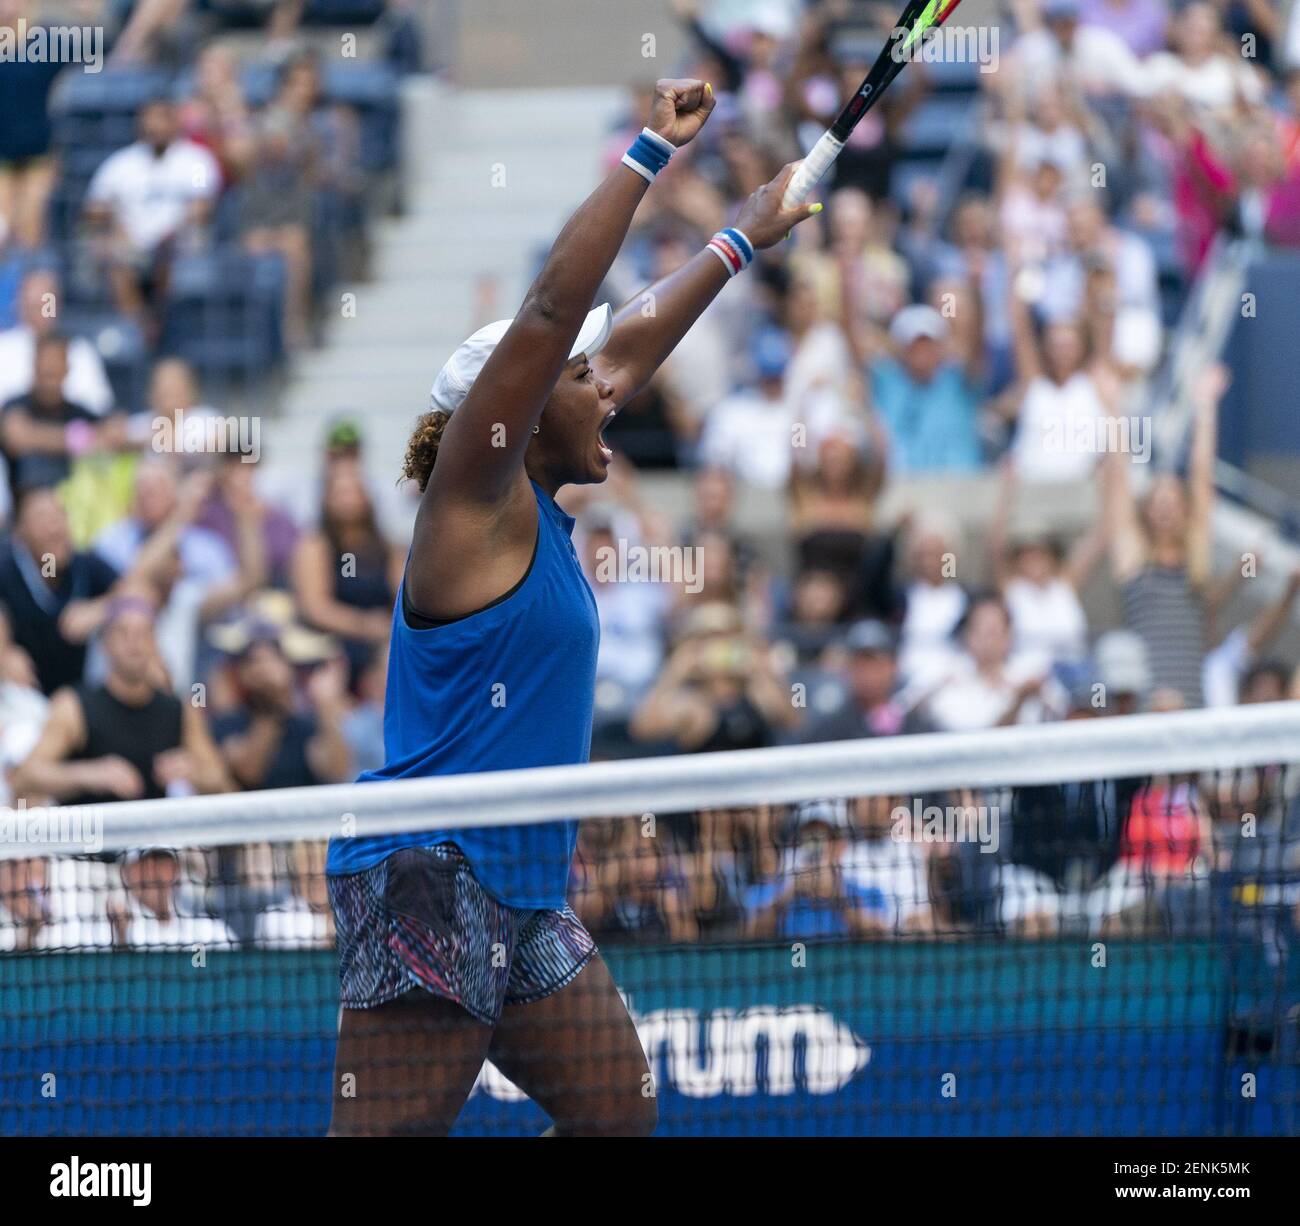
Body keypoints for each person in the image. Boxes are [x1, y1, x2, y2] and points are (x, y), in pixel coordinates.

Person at [324, 78, 819, 1138]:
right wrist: (648, 152)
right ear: (515, 401)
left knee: (616, 1117)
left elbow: (618, 349)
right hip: (432, 874)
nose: (612, 390)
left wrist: (743, 235)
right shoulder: (474, 497)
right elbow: (554, 318)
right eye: (582, 379)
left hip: (524, 889)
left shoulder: (540, 493)